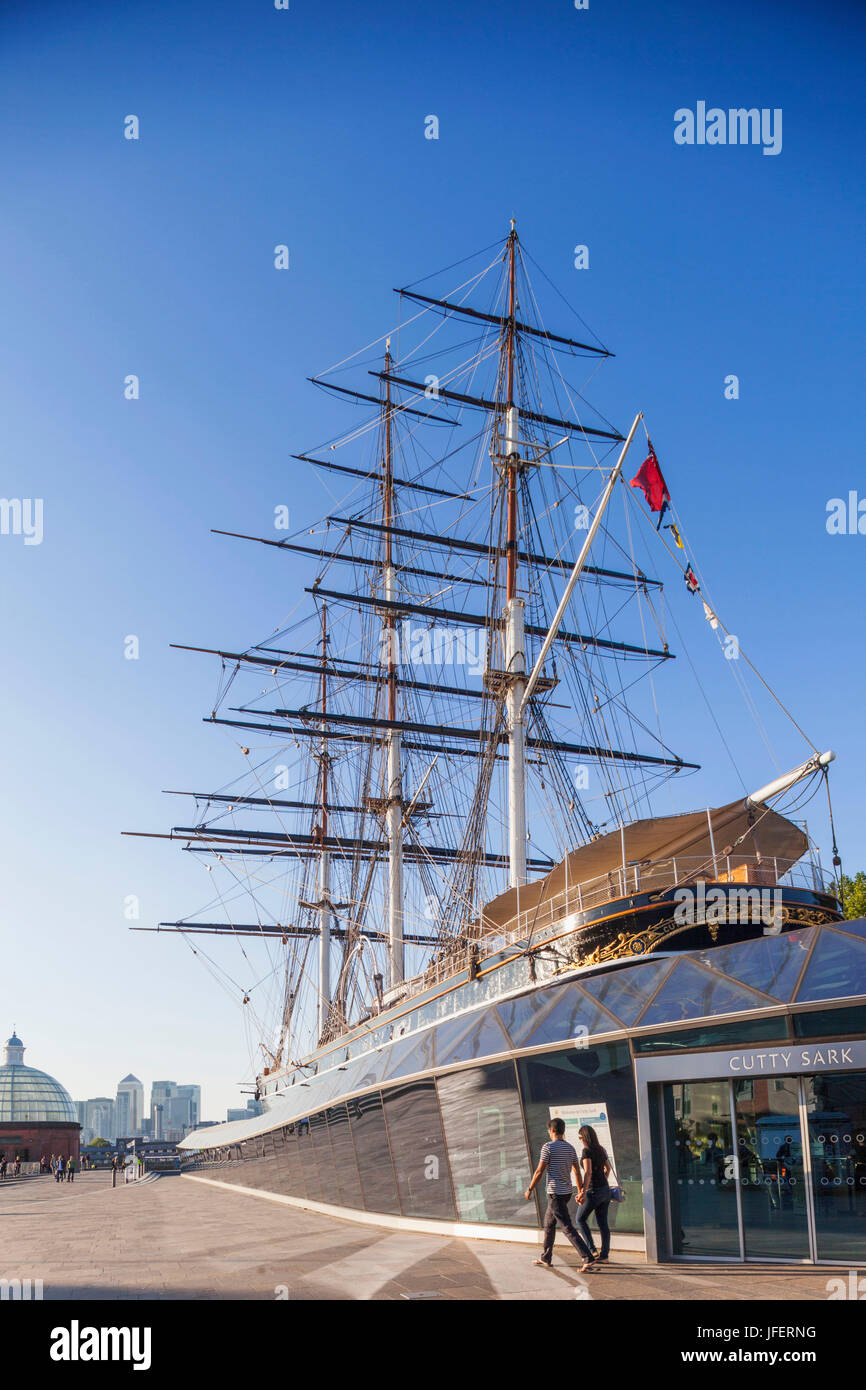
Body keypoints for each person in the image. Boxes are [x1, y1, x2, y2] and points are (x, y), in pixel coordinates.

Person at [525, 1117, 594, 1272]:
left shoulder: (548, 1147)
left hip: (555, 1193)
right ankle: (546, 1257)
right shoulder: (570, 1148)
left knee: (566, 1226)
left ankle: (587, 1256)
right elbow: (577, 1171)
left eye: (549, 1130)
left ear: (552, 1130)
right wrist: (580, 1190)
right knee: (549, 1223)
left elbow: (539, 1171)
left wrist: (530, 1188)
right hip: (566, 1192)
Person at [574, 1124, 613, 1265]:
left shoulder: (587, 1151)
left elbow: (588, 1172)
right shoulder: (601, 1149)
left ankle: (592, 1250)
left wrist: (582, 1192)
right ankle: (604, 1256)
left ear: (584, 1137)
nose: (580, 1141)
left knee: (580, 1219)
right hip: (605, 1190)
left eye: (580, 1138)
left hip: (593, 1191)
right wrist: (603, 1180)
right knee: (603, 1224)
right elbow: (607, 1168)